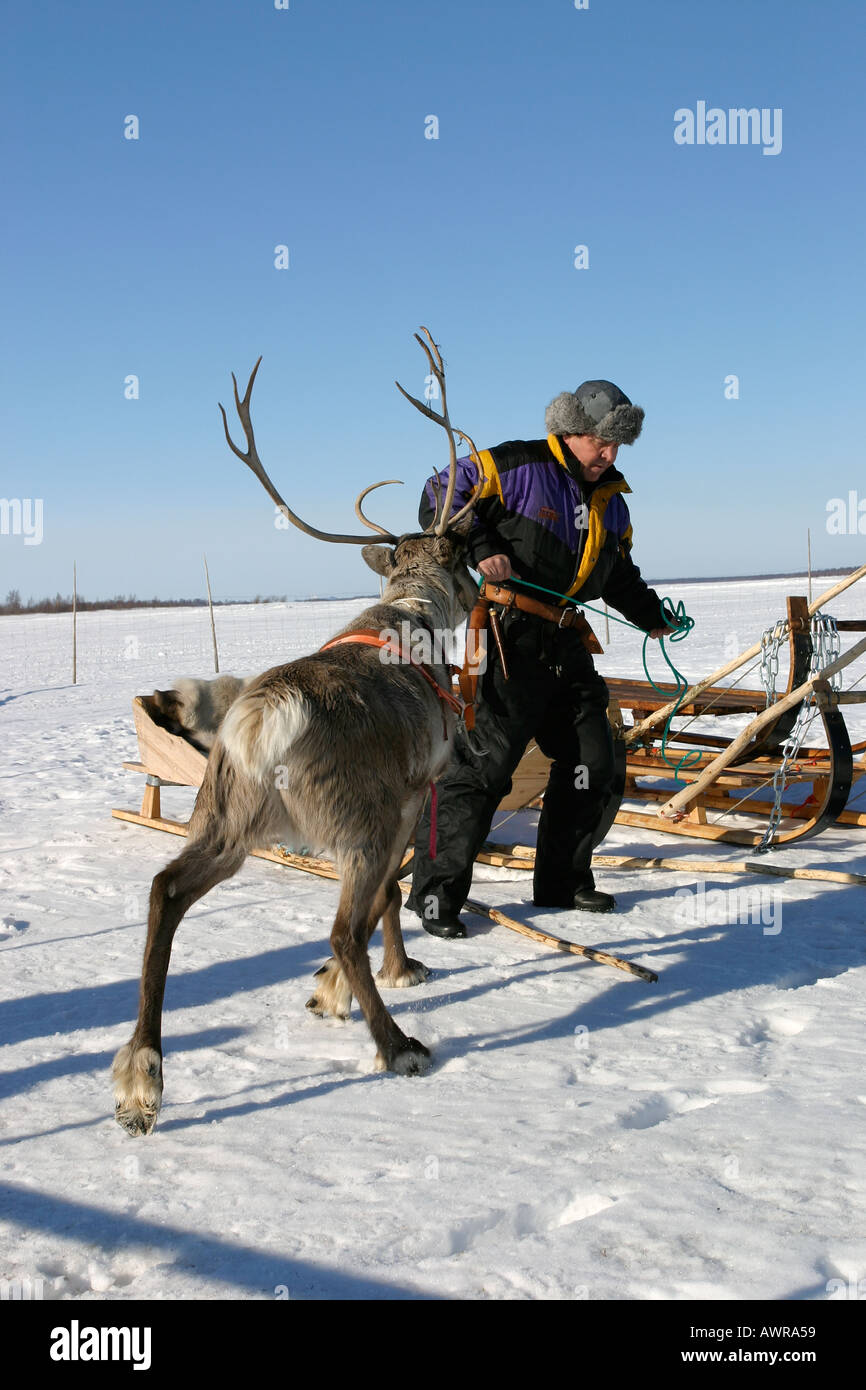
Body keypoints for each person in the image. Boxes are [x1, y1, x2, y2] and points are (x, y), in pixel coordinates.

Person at [405, 378, 676, 938]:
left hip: (565, 639)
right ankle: (435, 898)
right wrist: (483, 547)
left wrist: (651, 613)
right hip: (507, 634)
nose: (610, 454)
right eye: (601, 442)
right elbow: (439, 492)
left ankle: (561, 881)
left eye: (617, 445)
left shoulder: (612, 501)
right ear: (572, 430)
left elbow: (618, 573)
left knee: (593, 759)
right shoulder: (516, 465)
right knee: (483, 768)